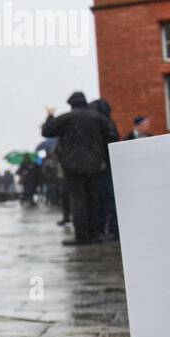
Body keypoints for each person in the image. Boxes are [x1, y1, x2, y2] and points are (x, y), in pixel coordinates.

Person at [41, 92, 117, 246]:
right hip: (94, 165)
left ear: (71, 104)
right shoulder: (97, 118)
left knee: (78, 201)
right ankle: (94, 234)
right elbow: (112, 135)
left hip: (72, 166)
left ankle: (82, 236)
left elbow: (46, 131)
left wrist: (50, 115)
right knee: (93, 200)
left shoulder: (66, 118)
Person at [90, 98, 119, 241]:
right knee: (107, 199)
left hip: (103, 168)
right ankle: (110, 229)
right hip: (108, 167)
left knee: (106, 199)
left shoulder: (101, 125)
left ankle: (109, 229)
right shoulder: (108, 123)